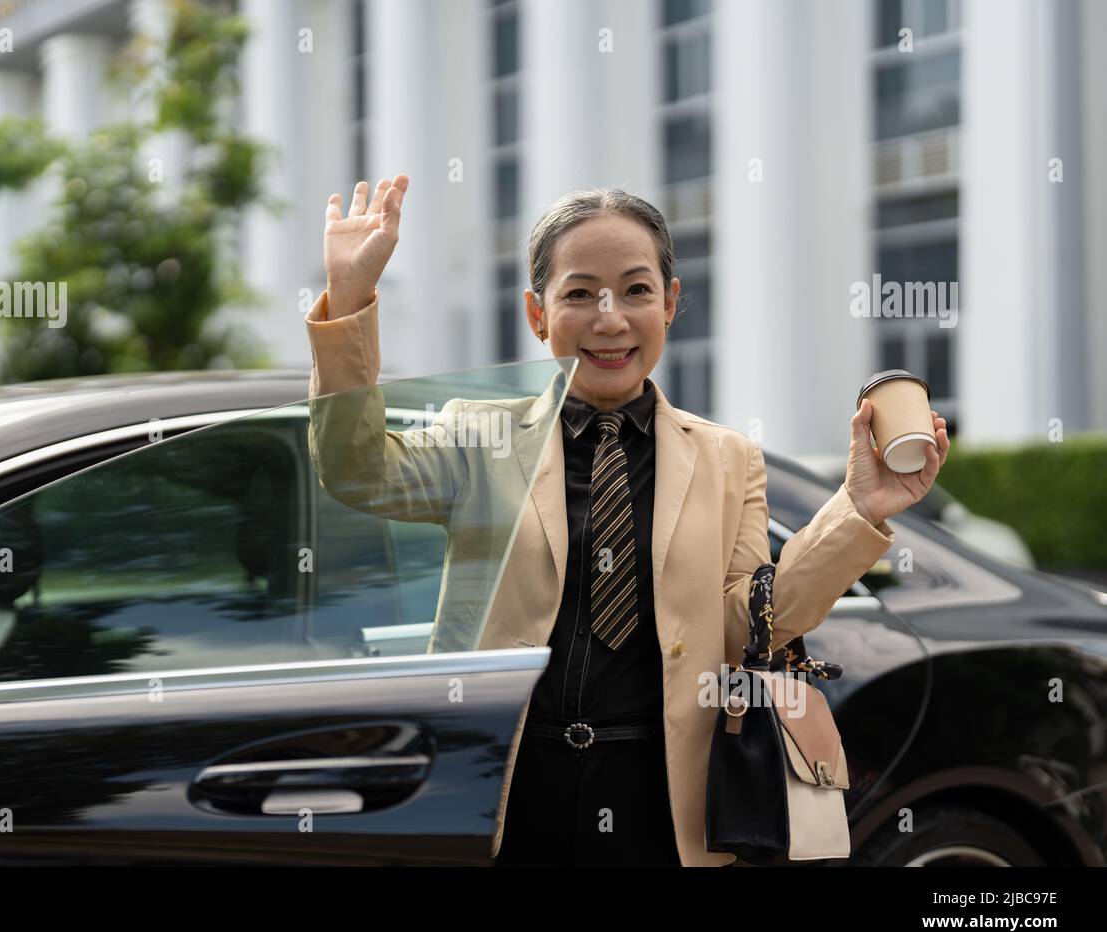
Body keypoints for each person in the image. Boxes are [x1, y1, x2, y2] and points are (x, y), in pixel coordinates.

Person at [303, 173, 950, 866]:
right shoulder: (480, 434)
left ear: (670, 304)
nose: (610, 319)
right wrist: (350, 298)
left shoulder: (728, 459)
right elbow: (357, 469)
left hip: (665, 800)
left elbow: (751, 620)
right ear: (537, 313)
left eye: (637, 290)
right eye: (580, 293)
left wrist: (858, 509)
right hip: (511, 790)